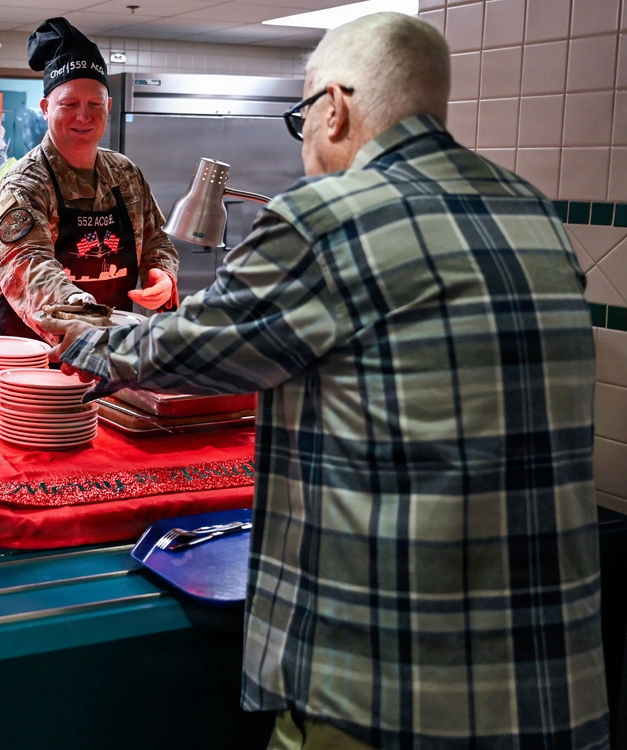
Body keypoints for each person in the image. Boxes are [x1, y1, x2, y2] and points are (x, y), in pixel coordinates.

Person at [43, 12, 609, 749]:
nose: (305, 136)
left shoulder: (327, 217)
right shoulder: (533, 212)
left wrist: (83, 341)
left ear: (334, 107)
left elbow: (192, 351)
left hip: (392, 691)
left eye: (301, 116)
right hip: (553, 683)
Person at [0, 17, 179, 341]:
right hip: (29, 357)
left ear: (109, 106)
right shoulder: (24, 184)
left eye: (94, 104)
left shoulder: (126, 173)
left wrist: (162, 273)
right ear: (45, 108)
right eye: (69, 104)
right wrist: (77, 307)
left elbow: (156, 238)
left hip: (105, 350)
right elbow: (30, 263)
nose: (83, 116)